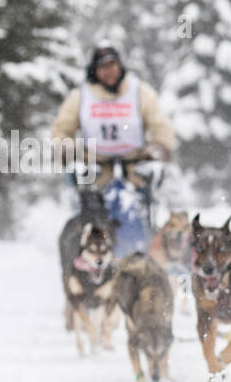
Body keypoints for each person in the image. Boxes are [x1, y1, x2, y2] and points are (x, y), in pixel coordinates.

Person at [50, 45, 177, 254]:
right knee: (94, 214)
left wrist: (157, 149)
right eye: (103, 67)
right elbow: (61, 131)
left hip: (134, 166)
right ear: (95, 70)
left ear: (120, 66)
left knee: (137, 211)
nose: (109, 71)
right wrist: (70, 150)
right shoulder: (81, 96)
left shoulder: (139, 92)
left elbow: (161, 126)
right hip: (95, 167)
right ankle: (91, 253)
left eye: (113, 65)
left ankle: (140, 254)